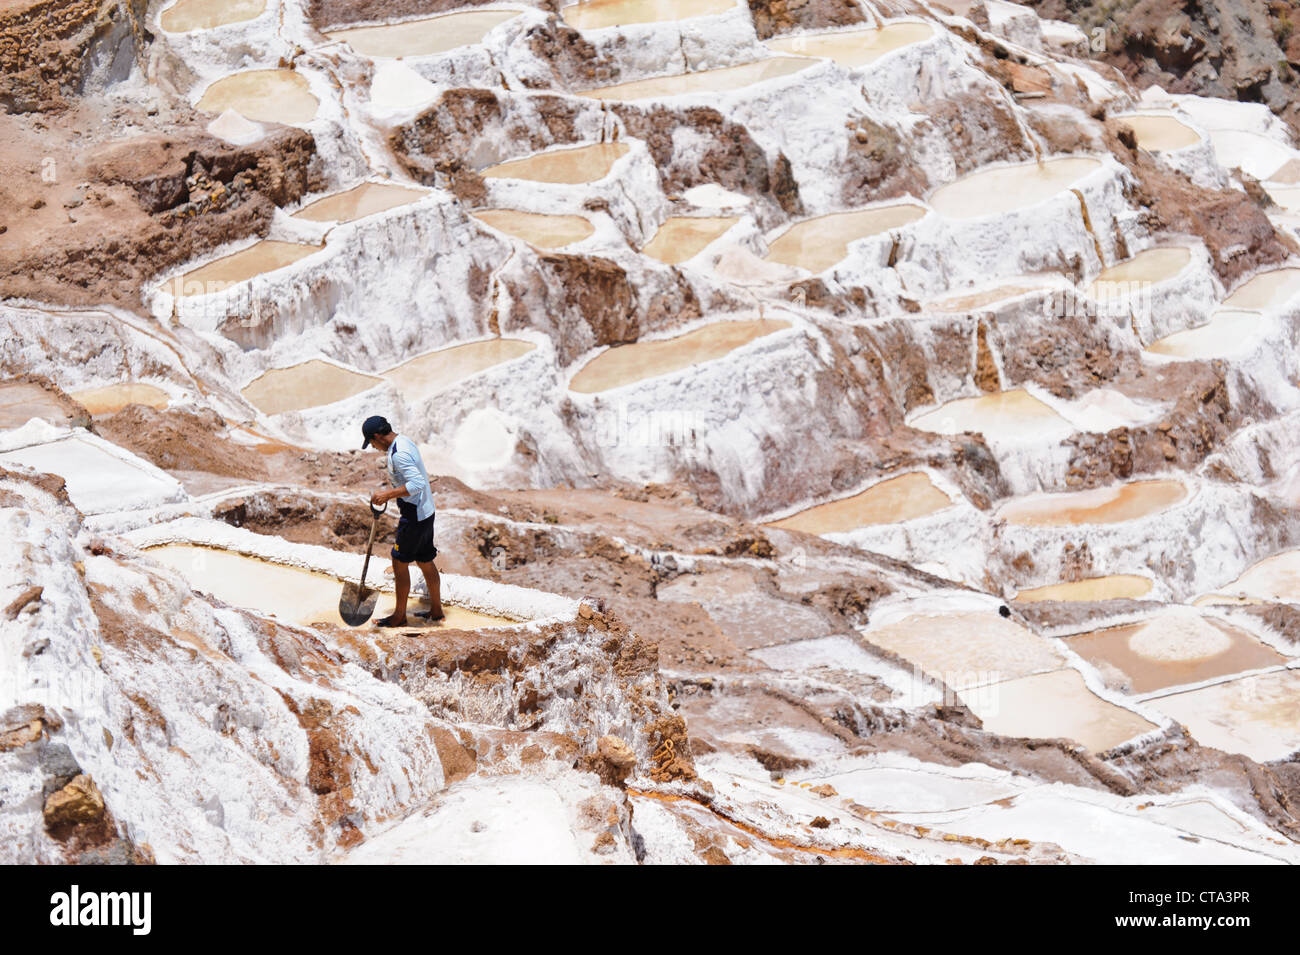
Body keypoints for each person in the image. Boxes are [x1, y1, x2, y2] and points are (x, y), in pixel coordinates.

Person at [360, 415, 444, 627]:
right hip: (425, 510)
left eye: (371, 442)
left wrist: (387, 495)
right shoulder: (404, 441)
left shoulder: (399, 454)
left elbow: (417, 483)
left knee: (399, 561)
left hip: (414, 514)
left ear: (377, 436)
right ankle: (436, 611)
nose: (373, 446)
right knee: (425, 559)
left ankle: (399, 616)